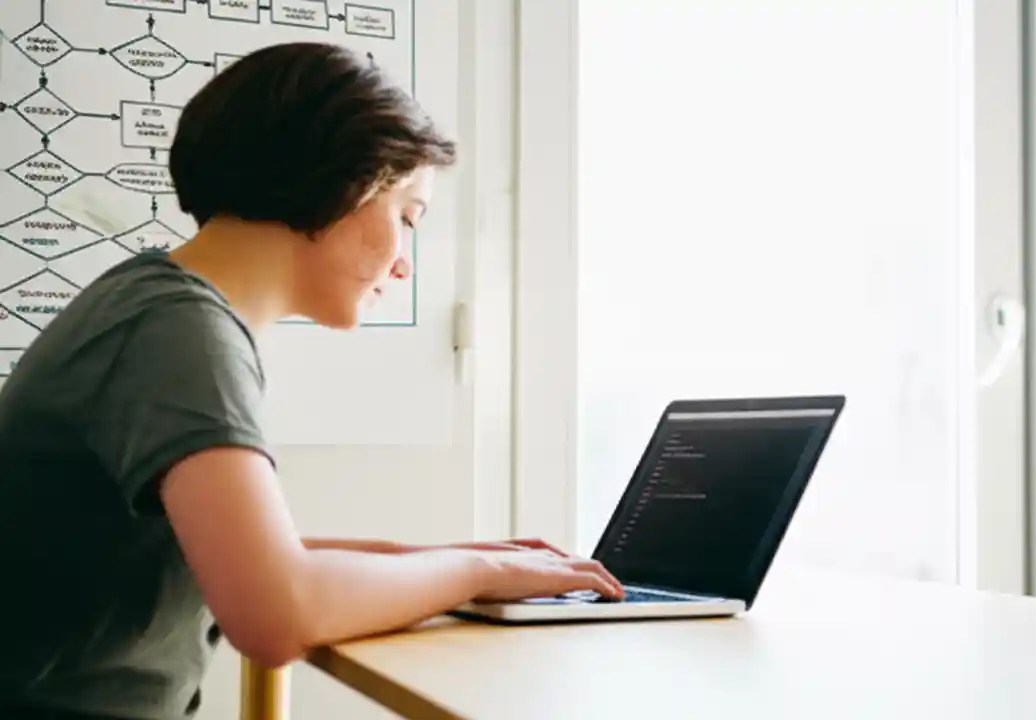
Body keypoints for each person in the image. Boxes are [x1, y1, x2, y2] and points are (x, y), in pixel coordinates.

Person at [0, 42, 623, 720]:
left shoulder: (152, 305)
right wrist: (480, 574)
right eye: (408, 216)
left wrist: (446, 560)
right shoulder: (179, 334)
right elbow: (275, 610)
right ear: (350, 184)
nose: (404, 265)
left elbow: (254, 558)